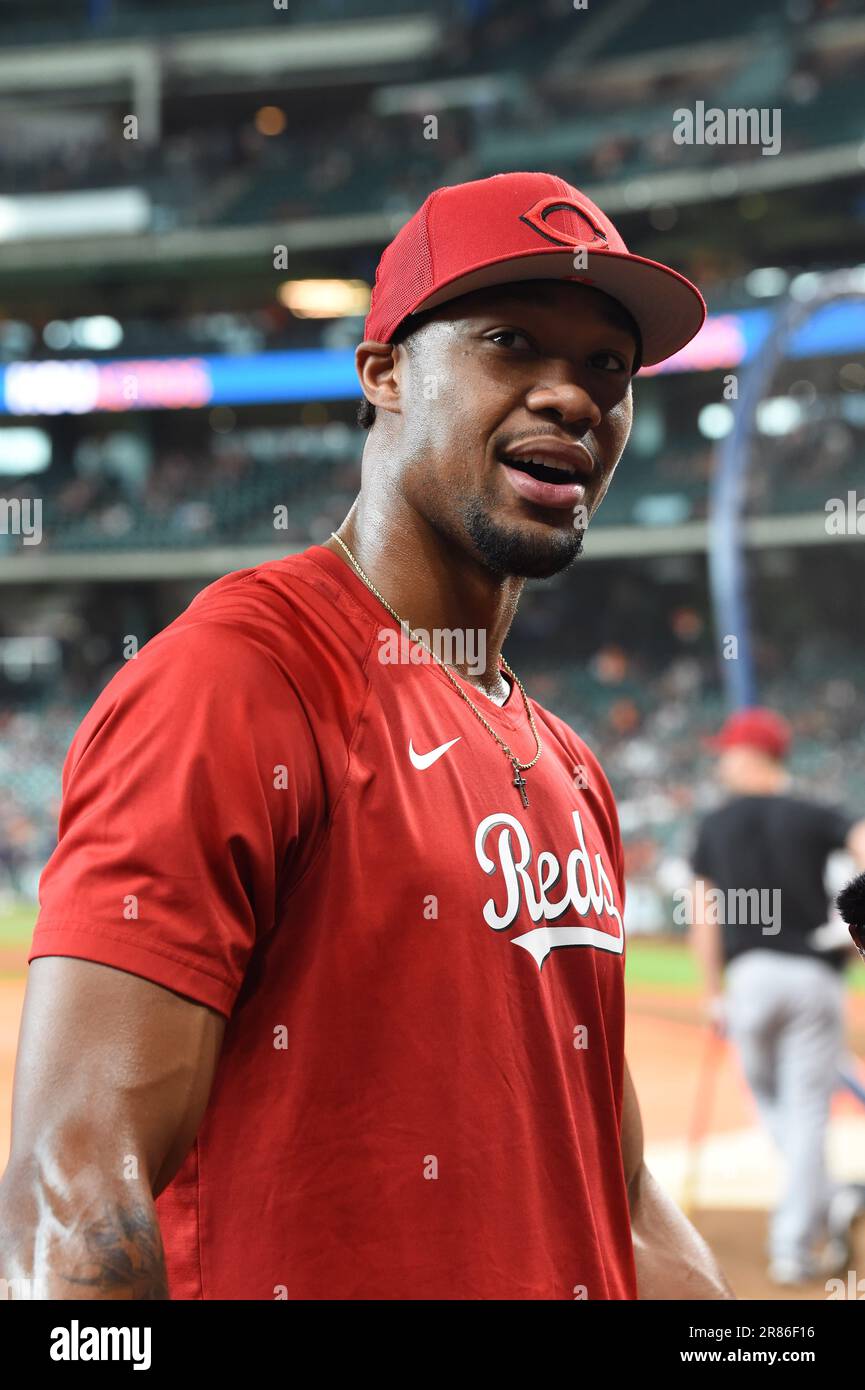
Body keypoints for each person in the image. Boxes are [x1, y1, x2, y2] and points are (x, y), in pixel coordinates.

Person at [0, 171, 732, 1300]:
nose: (574, 397)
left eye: (607, 366)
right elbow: (75, 1193)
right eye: (511, 341)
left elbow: (615, 1196)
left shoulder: (571, 769)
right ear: (384, 371)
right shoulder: (238, 678)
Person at [690, 706, 865, 1286]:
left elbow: (703, 915)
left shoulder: (714, 824)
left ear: (752, 756)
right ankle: (819, 1214)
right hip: (814, 976)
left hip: (751, 982)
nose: (723, 762)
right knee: (806, 1113)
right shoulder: (815, 813)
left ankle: (802, 1231)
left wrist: (712, 993)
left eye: (729, 753)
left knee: (772, 1106)